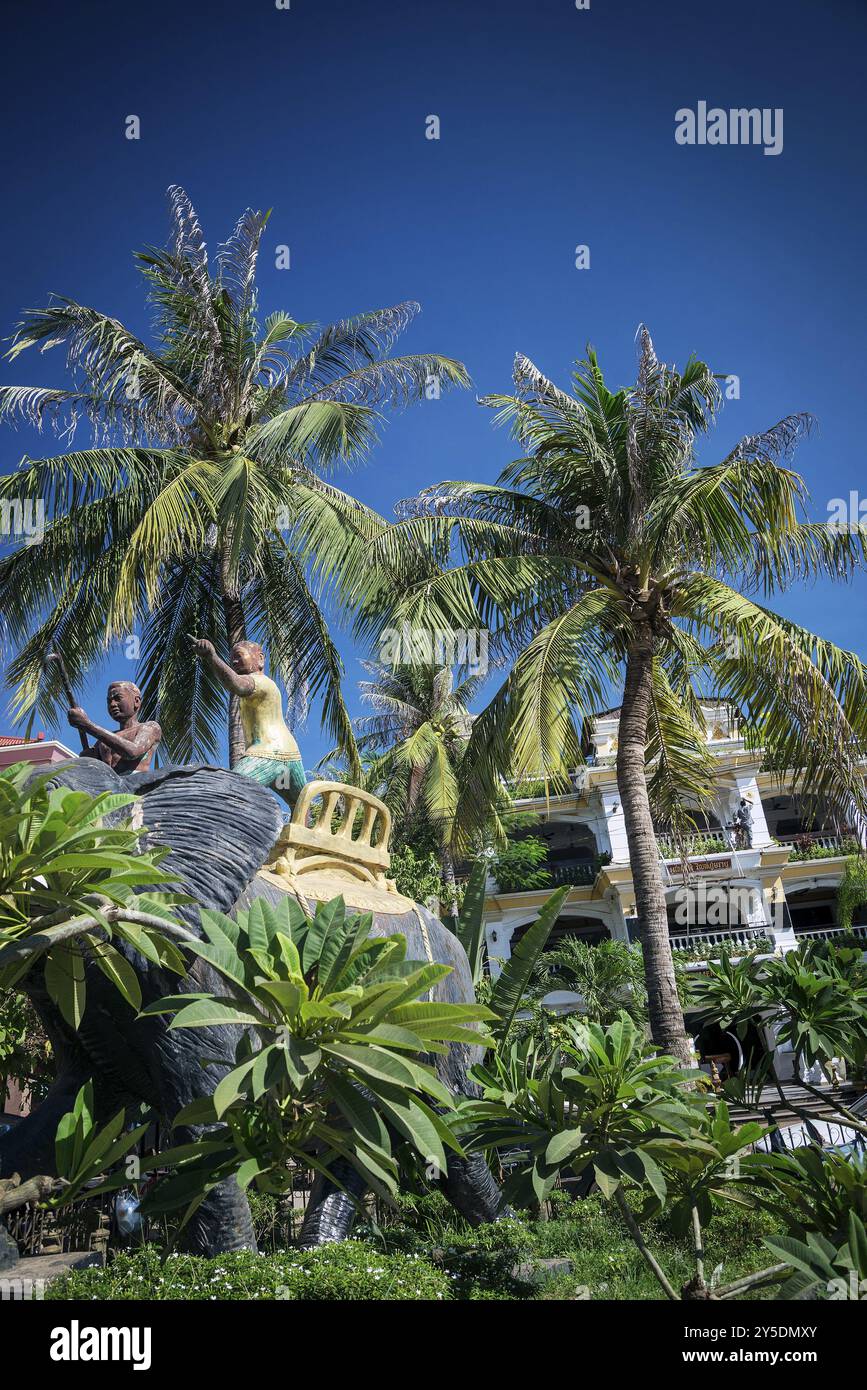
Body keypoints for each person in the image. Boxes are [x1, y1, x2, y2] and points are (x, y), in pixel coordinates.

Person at [189, 635, 306, 808]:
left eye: (239, 656)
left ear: (260, 659)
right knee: (301, 806)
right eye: (232, 659)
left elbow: (237, 684)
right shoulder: (257, 687)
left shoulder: (262, 683)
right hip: (288, 754)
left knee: (229, 790)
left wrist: (212, 656)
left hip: (269, 754)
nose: (234, 662)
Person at [67, 680, 161, 774]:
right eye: (109, 701)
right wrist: (87, 758)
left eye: (118, 698)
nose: (112, 704)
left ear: (136, 701)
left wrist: (87, 725)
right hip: (107, 784)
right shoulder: (103, 740)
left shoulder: (150, 727)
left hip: (135, 782)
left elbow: (133, 751)